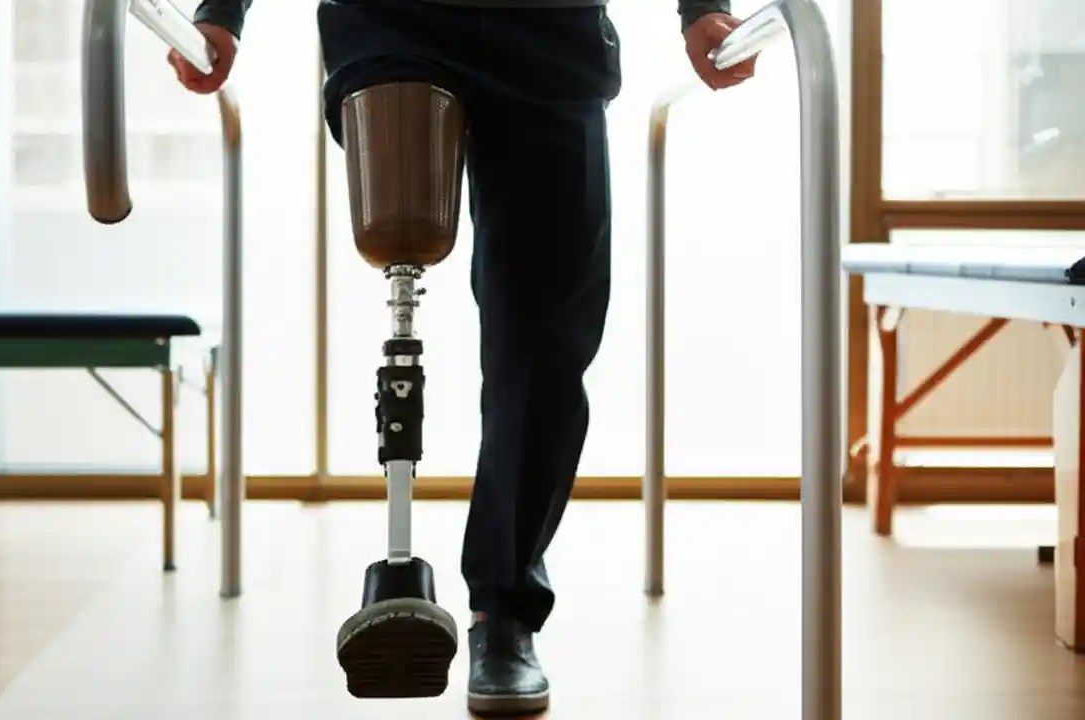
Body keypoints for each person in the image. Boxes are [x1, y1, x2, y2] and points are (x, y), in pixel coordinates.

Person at [170, 0, 755, 715]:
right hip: (398, 23)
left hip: (551, 37)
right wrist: (223, 13)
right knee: (401, 229)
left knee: (545, 339)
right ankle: (404, 546)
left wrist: (704, 9)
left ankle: (502, 614)